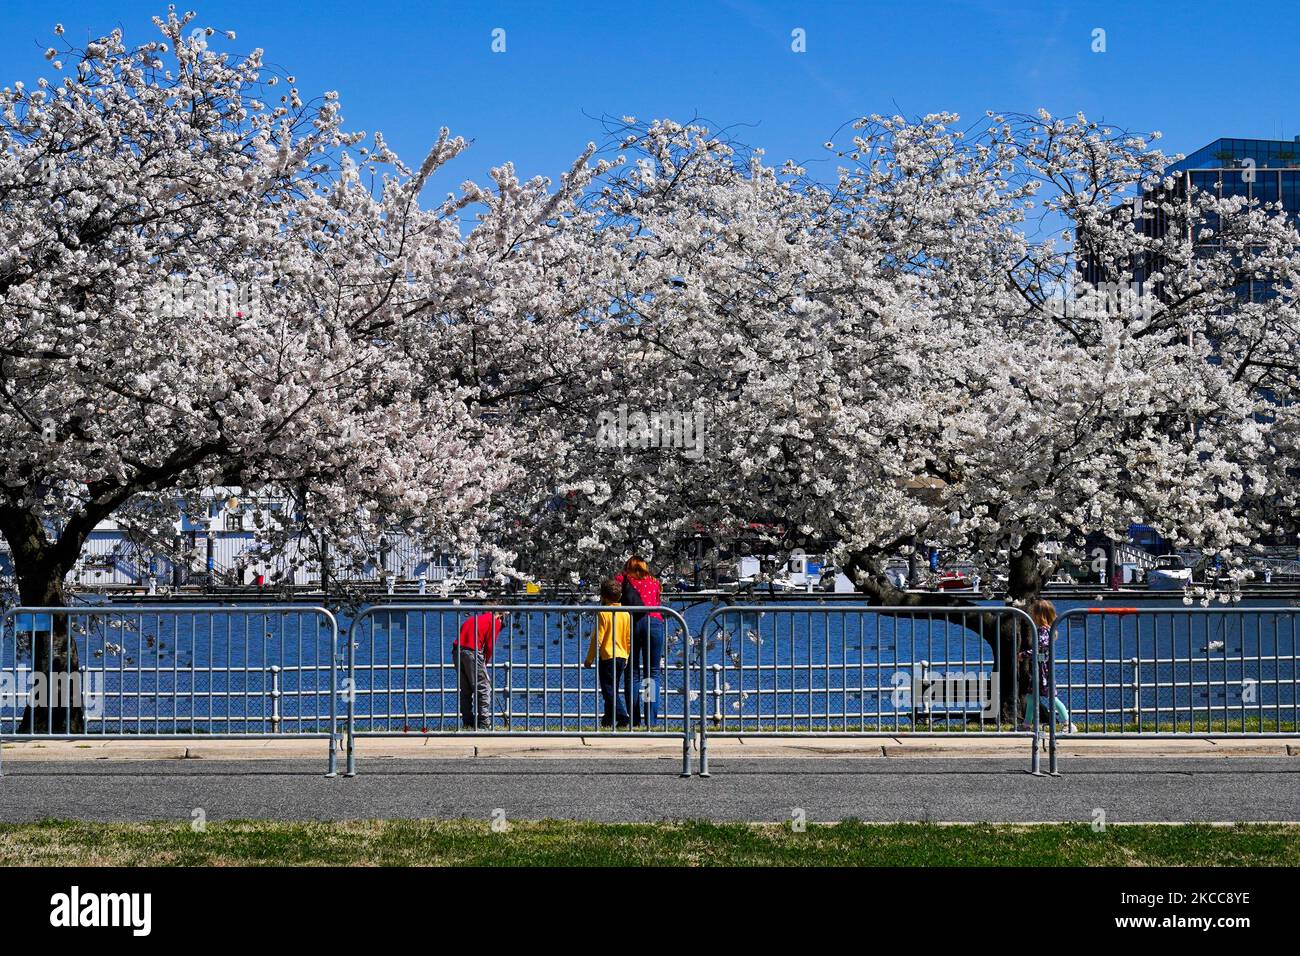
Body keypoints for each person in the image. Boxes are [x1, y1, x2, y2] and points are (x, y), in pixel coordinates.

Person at [614, 555, 665, 725]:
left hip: (633, 623)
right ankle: (651, 721)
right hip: (655, 623)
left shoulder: (623, 579)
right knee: (653, 674)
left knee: (633, 673)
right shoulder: (655, 582)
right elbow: (657, 601)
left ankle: (634, 720)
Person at [1022, 599, 1075, 733]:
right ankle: (1026, 725)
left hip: (1043, 671)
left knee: (1051, 697)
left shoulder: (1043, 631)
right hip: (1039, 669)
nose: (1032, 616)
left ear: (1039, 615)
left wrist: (1023, 655)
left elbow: (1040, 647)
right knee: (1031, 697)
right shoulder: (1044, 630)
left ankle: (1068, 723)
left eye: (1034, 614)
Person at [585, 580, 632, 727]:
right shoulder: (625, 613)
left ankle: (623, 716)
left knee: (608, 690)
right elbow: (628, 637)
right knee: (613, 688)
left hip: (607, 656)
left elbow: (597, 638)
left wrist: (589, 659)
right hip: (622, 655)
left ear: (603, 597)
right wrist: (627, 656)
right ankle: (608, 720)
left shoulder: (603, 613)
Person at [454, 609, 506, 730]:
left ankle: (467, 722)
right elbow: (489, 645)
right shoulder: (495, 620)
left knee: (466, 690)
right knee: (483, 687)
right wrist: (485, 662)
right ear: (500, 615)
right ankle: (484, 722)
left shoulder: (474, 619)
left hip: (457, 652)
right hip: (472, 653)